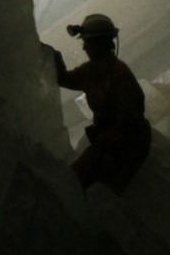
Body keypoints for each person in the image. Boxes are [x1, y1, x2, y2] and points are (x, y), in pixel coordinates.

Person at [46, 13, 152, 193]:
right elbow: (65, 79)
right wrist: (53, 57)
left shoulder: (119, 75)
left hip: (130, 143)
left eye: (87, 42)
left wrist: (101, 150)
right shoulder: (91, 71)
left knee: (93, 187)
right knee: (77, 180)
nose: (84, 47)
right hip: (109, 141)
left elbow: (128, 123)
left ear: (100, 44)